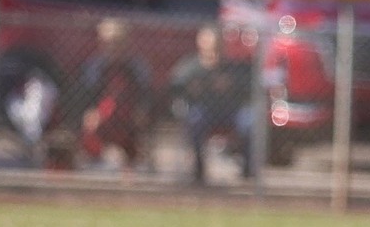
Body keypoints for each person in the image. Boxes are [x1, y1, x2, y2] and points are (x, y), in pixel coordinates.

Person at [168, 26, 254, 183]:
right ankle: (198, 166)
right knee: (195, 118)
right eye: (208, 45)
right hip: (204, 113)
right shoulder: (190, 67)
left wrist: (231, 86)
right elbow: (175, 89)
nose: (212, 50)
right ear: (200, 44)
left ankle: (248, 167)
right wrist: (190, 93)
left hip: (230, 112)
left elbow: (247, 89)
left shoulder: (232, 68)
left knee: (249, 121)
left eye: (216, 46)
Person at [76, 17, 152, 169]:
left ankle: (131, 160)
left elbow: (147, 95)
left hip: (127, 114)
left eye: (117, 41)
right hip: (102, 116)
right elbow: (83, 97)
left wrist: (142, 110)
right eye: (107, 42)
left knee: (136, 124)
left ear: (126, 42)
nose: (112, 47)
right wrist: (90, 112)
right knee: (94, 121)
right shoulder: (94, 67)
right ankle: (99, 157)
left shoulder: (137, 67)